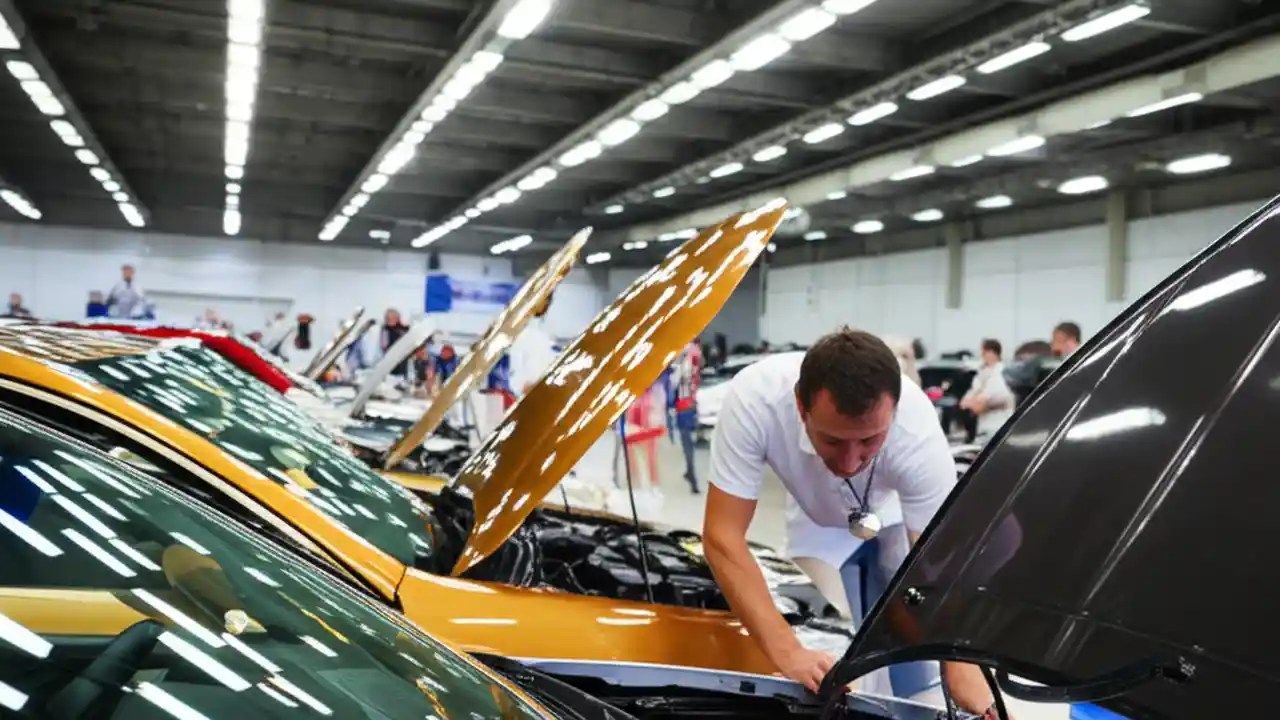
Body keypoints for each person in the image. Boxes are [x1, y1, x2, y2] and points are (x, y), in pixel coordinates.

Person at [702, 328, 994, 713]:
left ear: (893, 412)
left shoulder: (917, 429)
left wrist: (962, 664)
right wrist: (788, 651)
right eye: (833, 441)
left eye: (870, 441)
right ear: (800, 406)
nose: (850, 462)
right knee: (828, 660)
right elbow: (722, 535)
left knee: (913, 646)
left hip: (892, 521)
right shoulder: (755, 398)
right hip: (815, 527)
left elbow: (940, 560)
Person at [959, 339, 1015, 441]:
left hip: (998, 428)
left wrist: (975, 402)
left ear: (992, 352)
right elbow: (964, 403)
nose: (982, 356)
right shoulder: (981, 373)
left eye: (983, 352)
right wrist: (974, 401)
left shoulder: (1001, 374)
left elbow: (981, 404)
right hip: (983, 429)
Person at [507, 292, 558, 396]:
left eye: (546, 300)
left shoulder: (548, 334)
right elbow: (515, 377)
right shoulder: (522, 334)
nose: (544, 303)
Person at [670, 340, 703, 493]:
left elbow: (675, 381)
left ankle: (692, 477)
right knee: (689, 442)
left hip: (683, 406)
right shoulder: (697, 356)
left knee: (687, 443)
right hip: (693, 404)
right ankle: (690, 472)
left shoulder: (685, 359)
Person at [379, 308, 411, 377]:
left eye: (393, 318)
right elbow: (384, 346)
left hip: (403, 361)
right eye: (388, 318)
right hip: (390, 361)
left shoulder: (404, 328)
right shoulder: (385, 329)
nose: (390, 320)